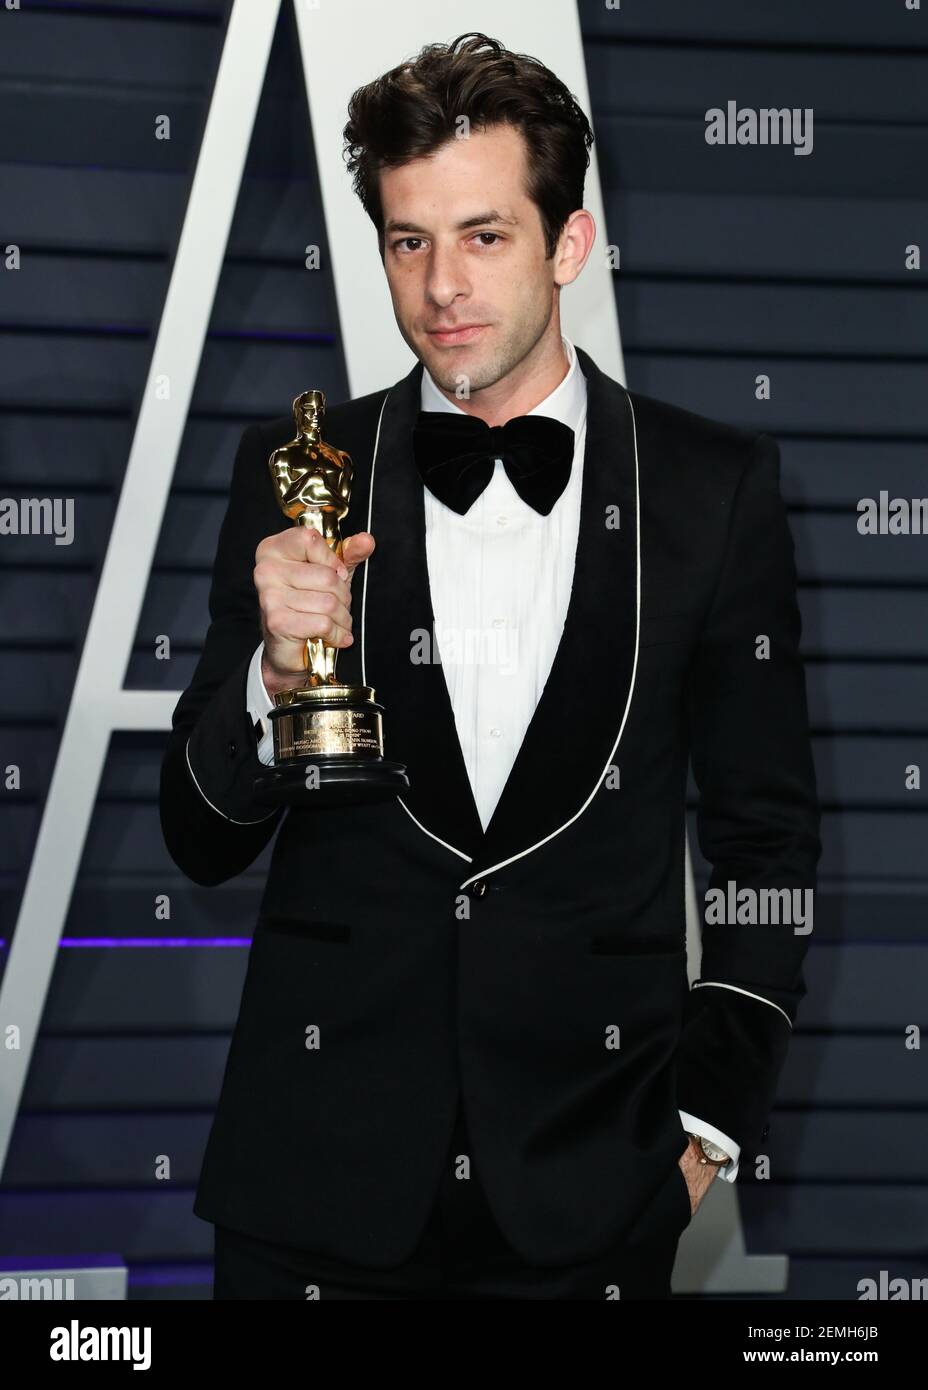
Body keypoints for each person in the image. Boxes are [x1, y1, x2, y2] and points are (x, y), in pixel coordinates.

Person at [159, 32, 821, 1300]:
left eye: (484, 235)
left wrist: (704, 1127)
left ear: (567, 246)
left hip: (592, 1199)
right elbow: (196, 837)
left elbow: (766, 839)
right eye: (410, 242)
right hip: (314, 1197)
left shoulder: (710, 489)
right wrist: (269, 689)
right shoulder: (301, 472)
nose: (443, 285)